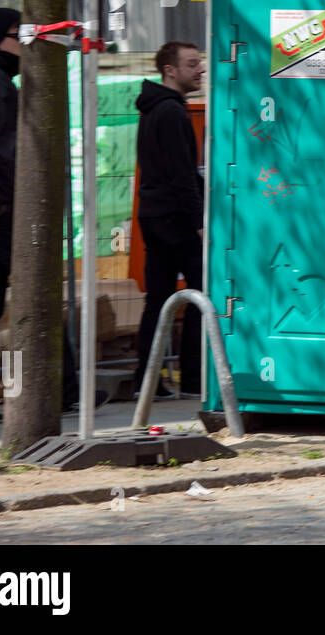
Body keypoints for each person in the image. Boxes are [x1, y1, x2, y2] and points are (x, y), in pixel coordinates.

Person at [0, 9, 95, 421]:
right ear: (0, 38)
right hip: (4, 208)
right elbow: (4, 150)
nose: (26, 43)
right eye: (19, 34)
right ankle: (66, 392)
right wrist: (34, 197)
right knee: (41, 295)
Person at [134, 41, 206, 399]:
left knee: (159, 297)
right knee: (199, 294)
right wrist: (198, 219)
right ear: (170, 71)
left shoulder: (153, 109)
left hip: (154, 212)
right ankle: (193, 377)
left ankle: (146, 381)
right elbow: (182, 173)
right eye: (192, 64)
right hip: (175, 216)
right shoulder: (172, 113)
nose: (201, 70)